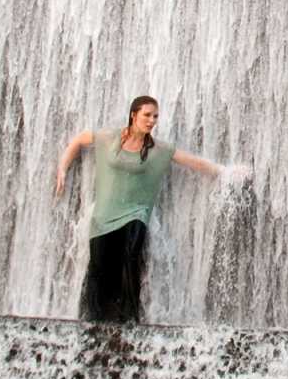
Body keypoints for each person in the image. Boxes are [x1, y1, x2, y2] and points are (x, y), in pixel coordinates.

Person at [53, 95, 237, 323]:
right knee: (99, 273)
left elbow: (193, 162)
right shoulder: (109, 138)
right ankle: (94, 323)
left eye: (155, 116)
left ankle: (132, 321)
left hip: (136, 214)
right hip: (103, 218)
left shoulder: (158, 150)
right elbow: (79, 140)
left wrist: (225, 171)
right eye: (147, 115)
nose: (152, 120)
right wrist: (62, 168)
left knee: (132, 255)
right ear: (134, 115)